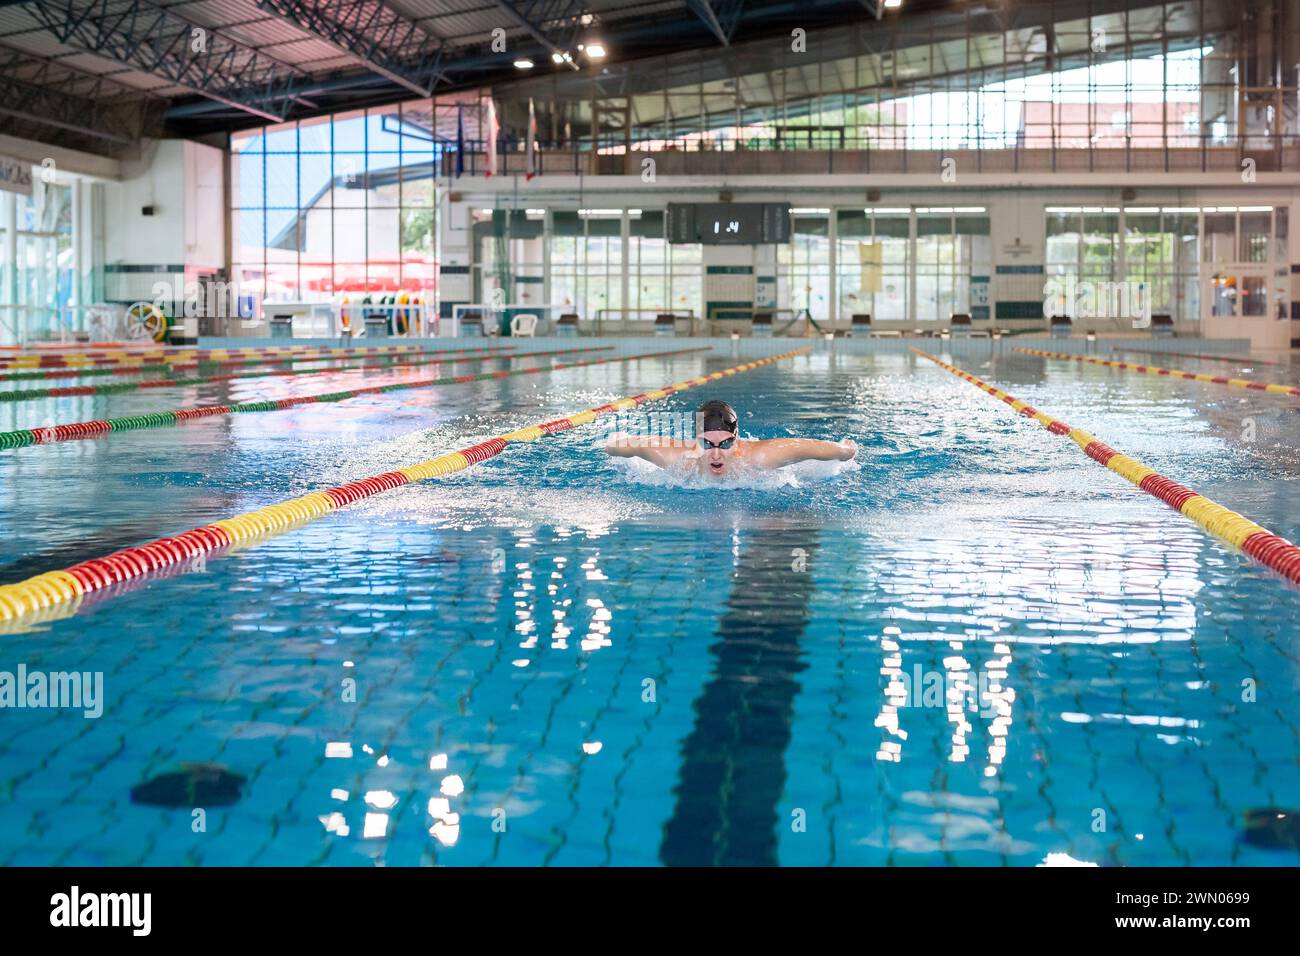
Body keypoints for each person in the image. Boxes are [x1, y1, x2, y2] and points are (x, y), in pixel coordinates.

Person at [605, 399, 856, 479]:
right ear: (695, 440)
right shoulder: (678, 459)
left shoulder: (759, 456)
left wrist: (844, 451)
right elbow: (625, 445)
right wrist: (614, 441)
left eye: (724, 443)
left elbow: (808, 448)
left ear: (736, 440)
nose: (716, 453)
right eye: (707, 443)